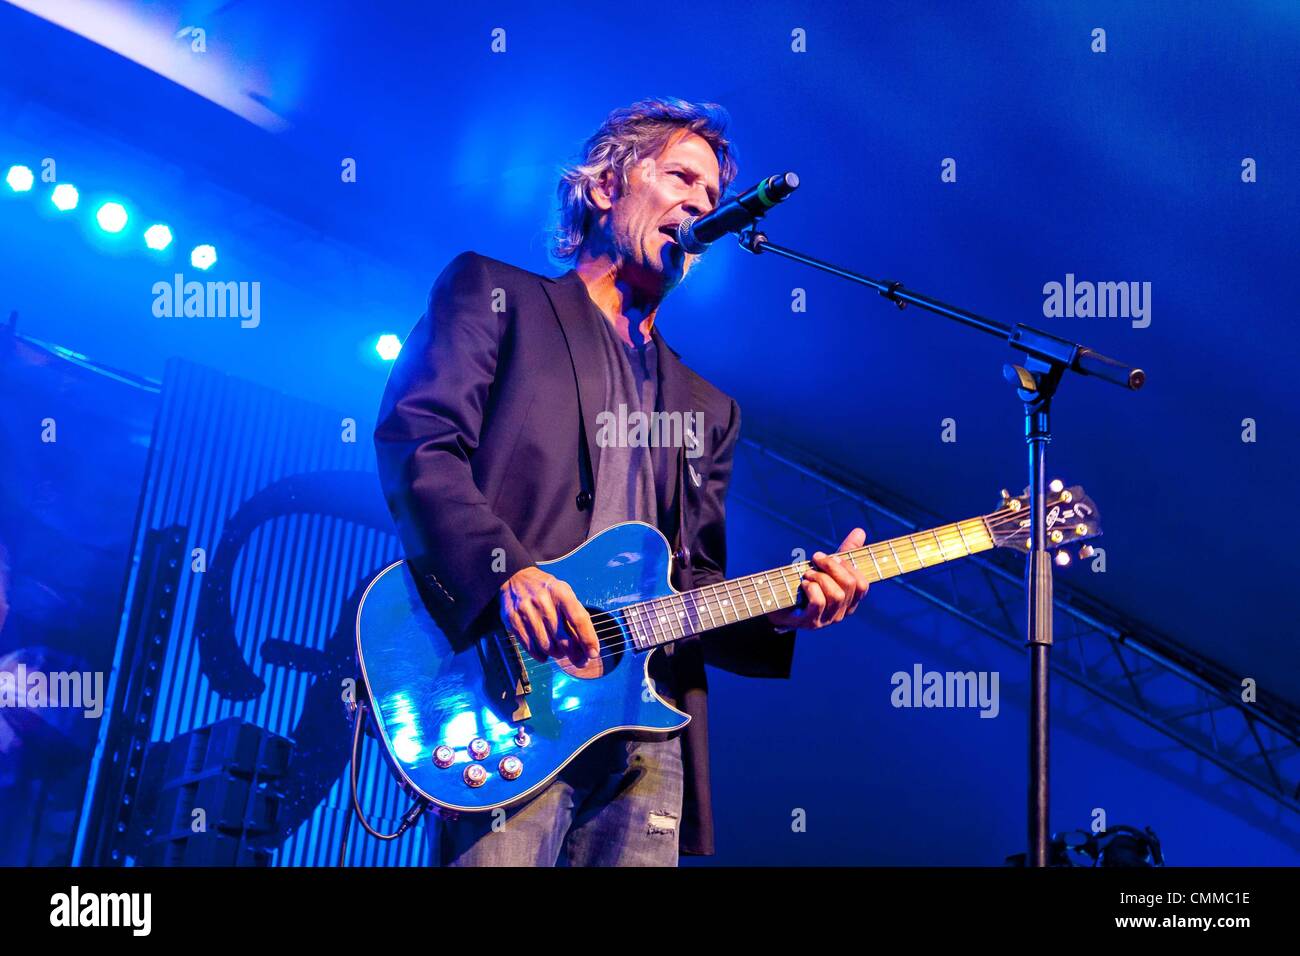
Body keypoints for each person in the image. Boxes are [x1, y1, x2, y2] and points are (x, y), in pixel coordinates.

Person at [373, 96, 870, 866]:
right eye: (680, 179)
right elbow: (420, 442)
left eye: (711, 199)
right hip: (510, 693)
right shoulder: (498, 297)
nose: (702, 207)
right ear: (606, 186)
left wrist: (784, 611)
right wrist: (510, 572)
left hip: (646, 727)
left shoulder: (709, 407)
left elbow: (696, 582)